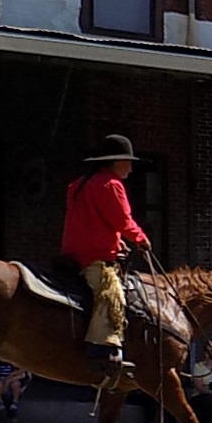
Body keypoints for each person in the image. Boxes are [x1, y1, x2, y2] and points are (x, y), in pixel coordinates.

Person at [62, 134, 151, 381]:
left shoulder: (78, 184)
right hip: (94, 257)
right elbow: (123, 221)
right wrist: (141, 239)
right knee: (112, 294)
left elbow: (93, 221)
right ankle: (103, 351)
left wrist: (116, 240)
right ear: (116, 162)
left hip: (73, 252)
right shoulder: (111, 184)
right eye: (128, 162)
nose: (131, 167)